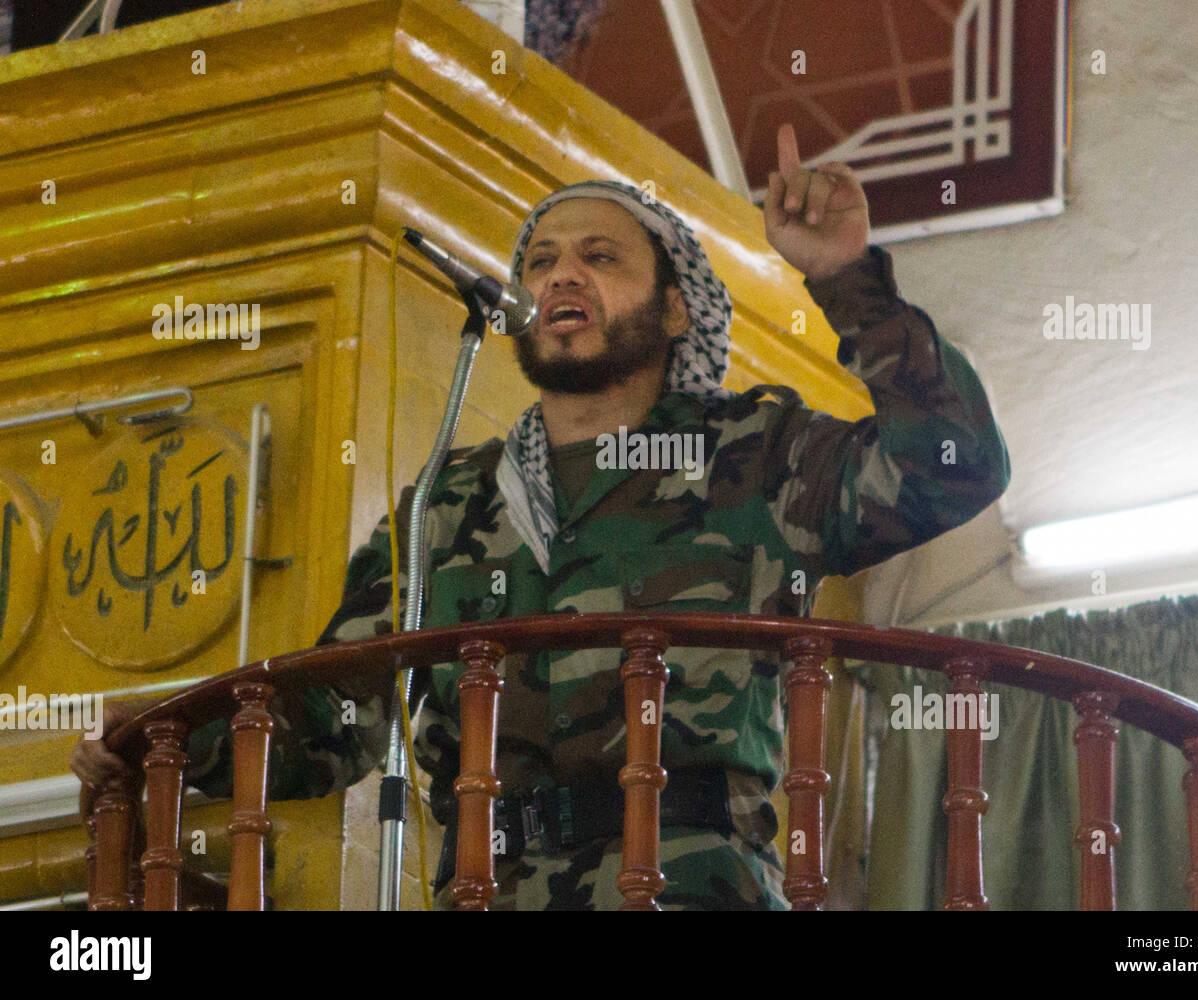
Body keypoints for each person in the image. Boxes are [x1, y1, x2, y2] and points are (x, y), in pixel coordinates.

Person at [72, 124, 1011, 910]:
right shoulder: (449, 498)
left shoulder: (755, 456)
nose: (563, 277)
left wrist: (848, 280)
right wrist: (163, 738)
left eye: (600, 258)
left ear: (678, 310)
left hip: (689, 881)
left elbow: (954, 466)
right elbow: (332, 719)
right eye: (542, 261)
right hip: (491, 888)